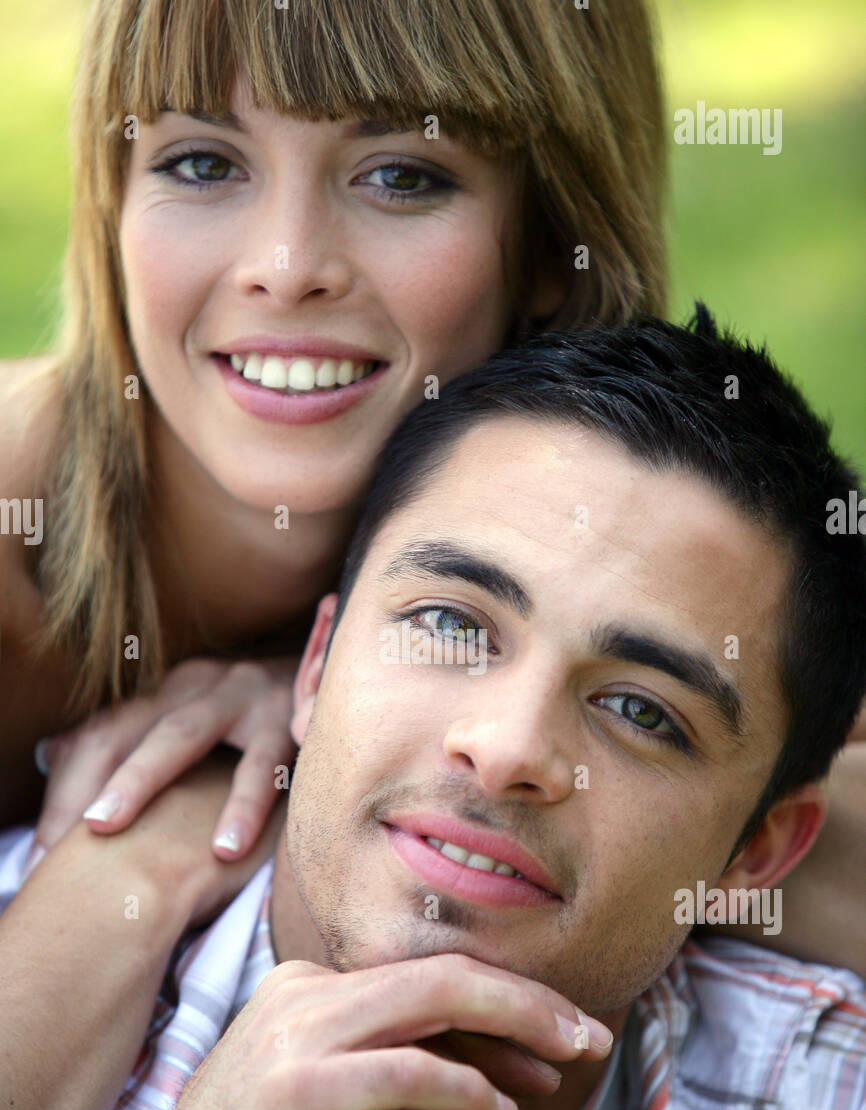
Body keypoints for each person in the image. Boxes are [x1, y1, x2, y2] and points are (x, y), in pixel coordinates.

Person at [6, 310, 865, 1110]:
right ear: (314, 664)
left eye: (639, 709)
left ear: (755, 854)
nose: (505, 749)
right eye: (450, 623)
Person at [0, 0, 665, 855]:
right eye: (203, 163)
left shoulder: (644, 527)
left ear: (550, 242)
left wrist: (330, 701)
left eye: (399, 176)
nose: (285, 269)